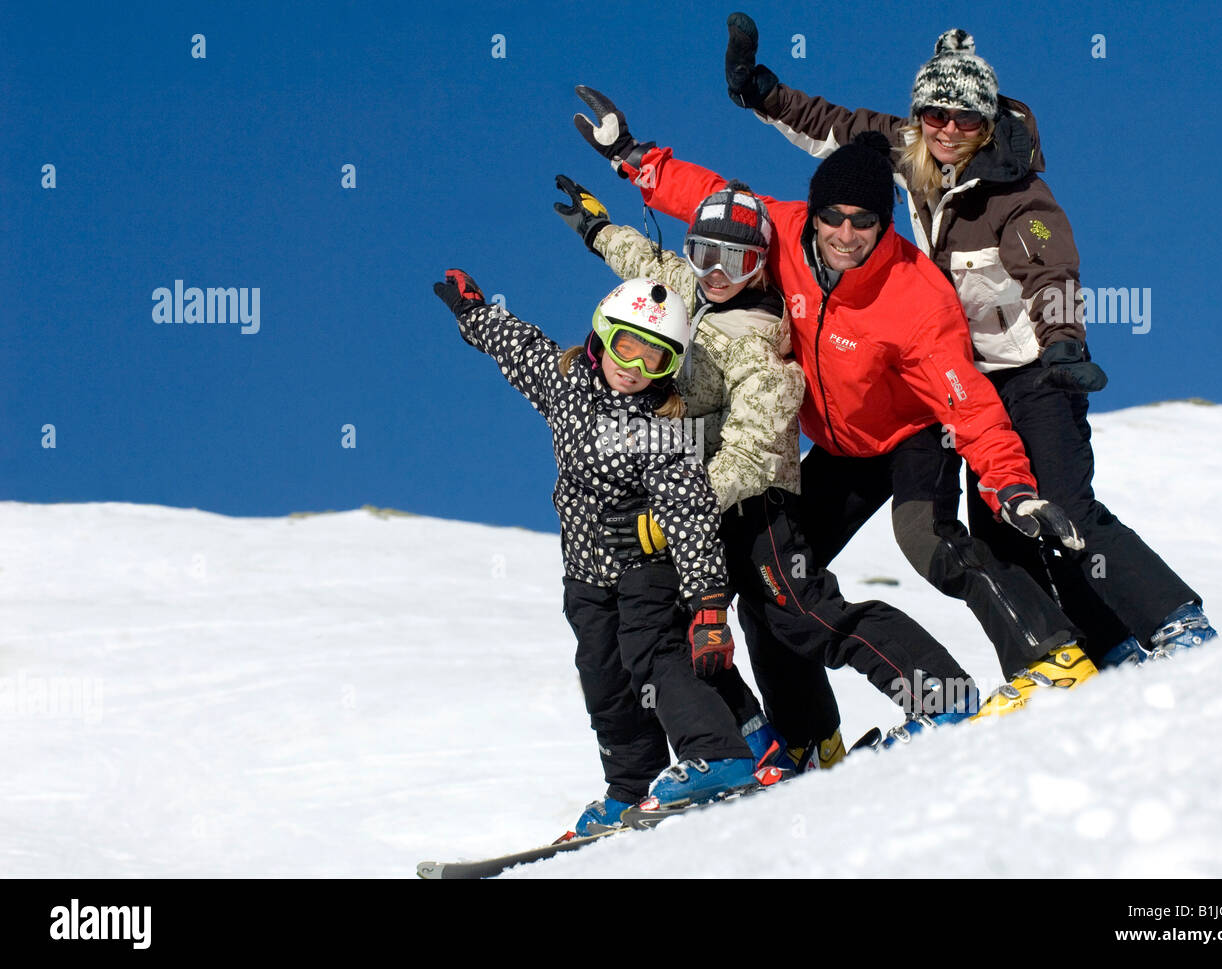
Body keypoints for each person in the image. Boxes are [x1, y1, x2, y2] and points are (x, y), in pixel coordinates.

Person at [572, 85, 1097, 724]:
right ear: (814, 215)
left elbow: (968, 401)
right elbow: (709, 200)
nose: (847, 234)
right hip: (840, 446)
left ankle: (1051, 657)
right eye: (835, 218)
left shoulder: (914, 297)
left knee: (927, 540)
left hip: (910, 434)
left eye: (865, 222)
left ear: (884, 225)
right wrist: (630, 156)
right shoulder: (784, 233)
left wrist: (1010, 483)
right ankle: (809, 741)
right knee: (776, 590)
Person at [721, 14, 1217, 667]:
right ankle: (1103, 643)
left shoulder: (1015, 194)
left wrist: (1066, 343)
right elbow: (829, 127)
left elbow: (1052, 271)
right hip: (965, 378)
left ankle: (1176, 616)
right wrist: (761, 91)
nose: (948, 129)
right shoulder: (907, 151)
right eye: (936, 114)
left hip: (1037, 370)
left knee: (1066, 504)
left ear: (987, 122)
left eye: (965, 118)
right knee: (1002, 524)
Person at [554, 173, 980, 759]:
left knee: (804, 612)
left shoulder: (759, 345)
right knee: (689, 629)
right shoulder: (697, 296)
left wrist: (676, 511)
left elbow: (751, 458)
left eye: (735, 259)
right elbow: (649, 267)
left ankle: (940, 694)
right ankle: (786, 745)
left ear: (759, 265)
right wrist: (598, 230)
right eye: (704, 254)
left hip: (754, 512)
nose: (716, 272)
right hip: (702, 511)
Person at [433, 267, 762, 833]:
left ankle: (723, 755)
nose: (633, 369)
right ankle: (630, 789)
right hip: (585, 576)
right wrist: (474, 314)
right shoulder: (566, 384)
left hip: (648, 571)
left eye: (653, 359)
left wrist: (708, 604)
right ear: (601, 336)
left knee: (653, 657)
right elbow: (521, 348)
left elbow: (690, 517)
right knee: (603, 676)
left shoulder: (664, 428)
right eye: (625, 346)